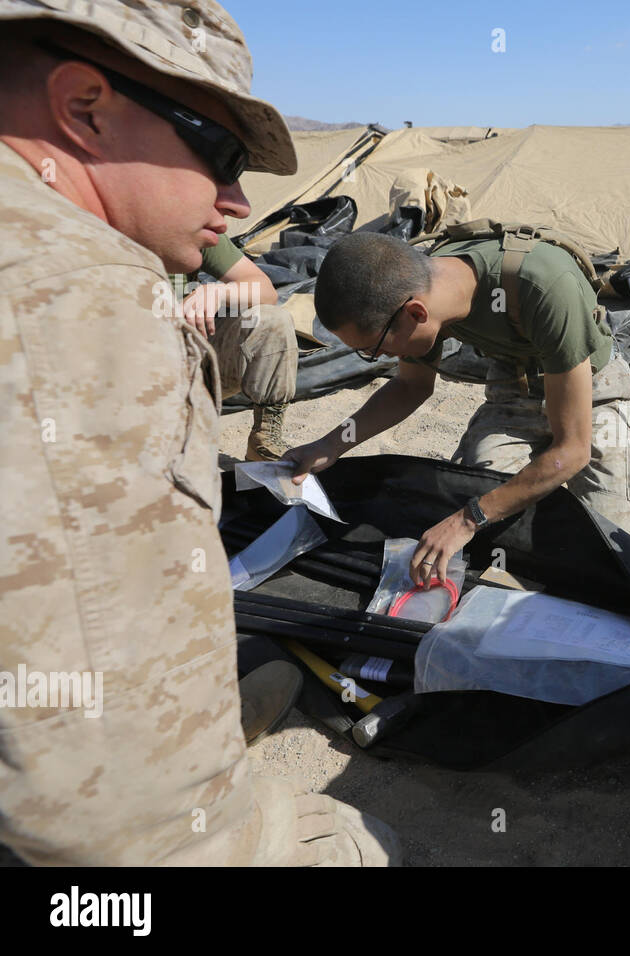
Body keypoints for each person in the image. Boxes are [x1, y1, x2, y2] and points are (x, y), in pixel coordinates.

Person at [0, 0, 398, 865]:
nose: (238, 197)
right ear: (84, 107)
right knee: (367, 846)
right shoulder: (79, 301)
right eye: (220, 152)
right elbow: (98, 803)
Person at [285, 230, 630, 586]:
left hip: (592, 395)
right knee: (481, 506)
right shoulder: (423, 289)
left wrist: (467, 518)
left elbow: (571, 450)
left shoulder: (544, 286)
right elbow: (411, 386)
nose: (377, 358)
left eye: (375, 347)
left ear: (415, 314)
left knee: (612, 550)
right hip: (515, 390)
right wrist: (330, 446)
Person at [175, 232, 298, 460]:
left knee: (271, 320)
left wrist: (218, 292)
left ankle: (264, 441)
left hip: (192, 365)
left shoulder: (191, 223)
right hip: (120, 378)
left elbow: (266, 292)